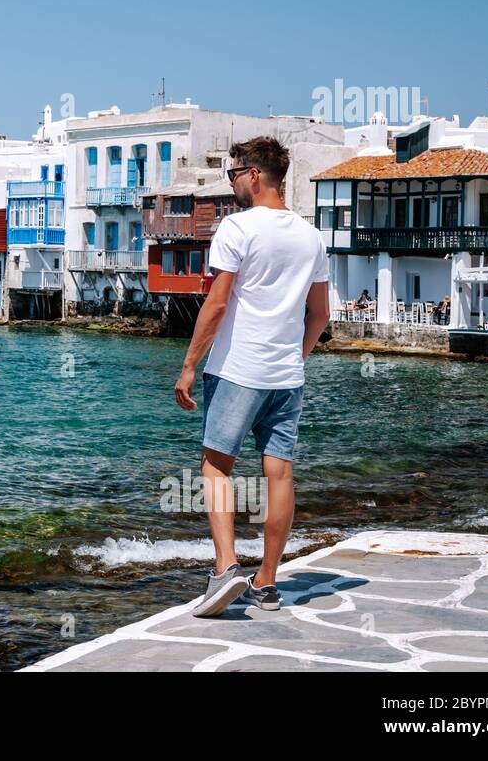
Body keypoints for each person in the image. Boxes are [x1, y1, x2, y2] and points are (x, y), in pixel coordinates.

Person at [173, 137, 329, 617]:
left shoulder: (236, 228)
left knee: (216, 466)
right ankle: (266, 584)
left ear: (255, 174)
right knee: (278, 472)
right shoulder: (311, 236)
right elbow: (320, 315)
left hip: (238, 369)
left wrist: (188, 366)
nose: (232, 183)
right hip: (286, 375)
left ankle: (224, 570)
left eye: (233, 173)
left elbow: (217, 304)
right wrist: (295, 359)